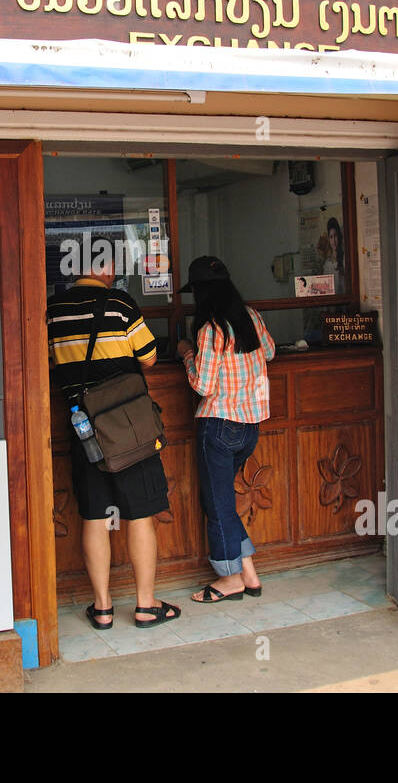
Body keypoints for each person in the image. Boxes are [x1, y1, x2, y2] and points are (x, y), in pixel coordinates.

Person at [46, 259, 181, 629]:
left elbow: (50, 363)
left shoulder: (53, 310)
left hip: (84, 428)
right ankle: (145, 605)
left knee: (95, 516)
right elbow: (149, 358)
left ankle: (103, 608)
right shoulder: (119, 303)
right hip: (128, 427)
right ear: (102, 267)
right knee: (139, 514)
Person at [175, 256, 276, 603]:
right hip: (250, 426)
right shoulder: (252, 317)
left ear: (200, 293)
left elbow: (202, 385)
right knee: (223, 501)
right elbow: (270, 353)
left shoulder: (210, 330)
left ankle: (230, 579)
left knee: (217, 505)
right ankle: (248, 573)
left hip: (218, 425)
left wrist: (187, 354)